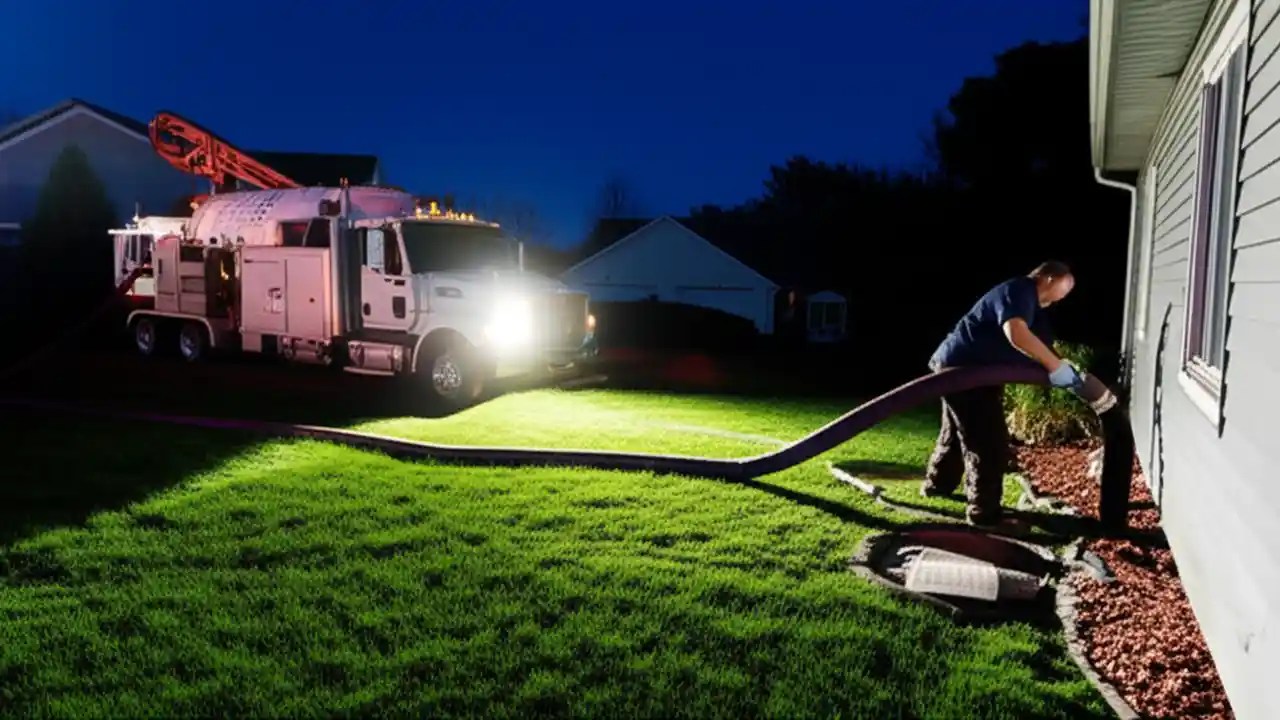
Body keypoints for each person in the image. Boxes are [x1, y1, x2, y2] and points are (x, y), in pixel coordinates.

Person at [921, 260, 1083, 528]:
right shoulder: (1020, 290)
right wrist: (1055, 366)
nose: (1066, 295)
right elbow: (1017, 334)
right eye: (1067, 287)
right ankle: (984, 514)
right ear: (1051, 279)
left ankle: (937, 487)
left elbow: (1041, 345)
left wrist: (1062, 365)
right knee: (988, 441)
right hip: (964, 371)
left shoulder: (1033, 307)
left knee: (956, 434)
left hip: (968, 369)